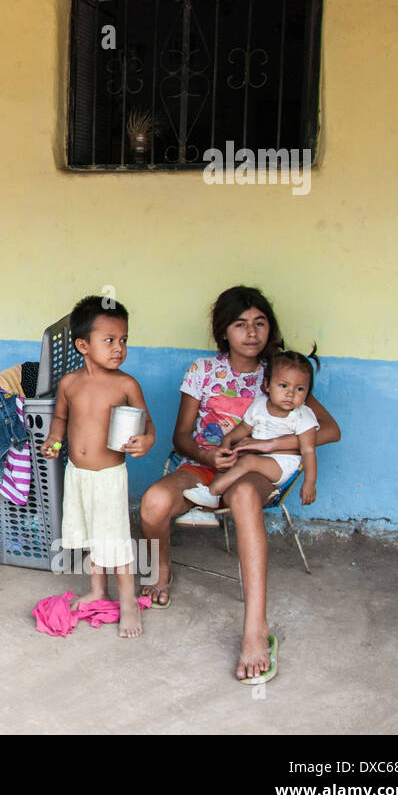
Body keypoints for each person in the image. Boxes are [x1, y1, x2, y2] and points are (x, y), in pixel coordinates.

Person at [138, 286, 341, 683]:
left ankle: (255, 629)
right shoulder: (202, 371)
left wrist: (268, 444)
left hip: (256, 472)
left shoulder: (283, 373)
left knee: (245, 492)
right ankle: (161, 569)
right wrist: (209, 455)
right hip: (205, 465)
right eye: (240, 324)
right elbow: (180, 436)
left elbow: (329, 430)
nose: (251, 333)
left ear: (271, 329)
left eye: (260, 323)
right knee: (152, 501)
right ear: (223, 331)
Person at [39, 296, 155, 639]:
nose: (119, 348)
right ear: (83, 345)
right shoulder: (70, 384)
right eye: (109, 340)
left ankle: (129, 600)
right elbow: (60, 419)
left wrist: (145, 441)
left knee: (115, 540)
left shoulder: (125, 384)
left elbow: (147, 424)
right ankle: (98, 590)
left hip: (108, 476)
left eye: (123, 340)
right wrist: (54, 441)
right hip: (77, 474)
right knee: (92, 535)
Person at [184, 350, 319, 509]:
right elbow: (244, 427)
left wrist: (309, 483)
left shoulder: (303, 415)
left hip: (283, 465)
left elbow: (308, 451)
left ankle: (212, 492)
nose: (290, 394)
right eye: (283, 386)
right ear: (267, 385)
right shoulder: (260, 405)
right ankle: (204, 510)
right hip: (260, 458)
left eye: (300, 389)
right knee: (232, 458)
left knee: (248, 461)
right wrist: (227, 441)